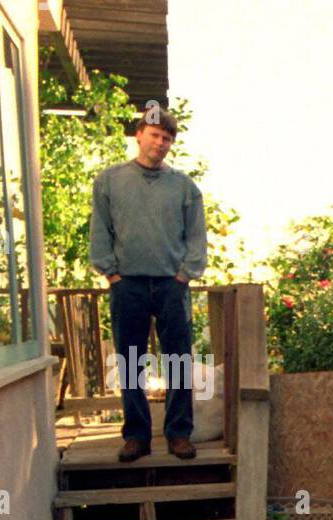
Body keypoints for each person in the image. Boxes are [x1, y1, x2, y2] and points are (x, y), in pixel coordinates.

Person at [89, 107, 207, 462]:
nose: (161, 143)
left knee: (178, 360)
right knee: (130, 361)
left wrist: (186, 274)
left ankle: (178, 433)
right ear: (139, 134)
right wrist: (111, 274)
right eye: (155, 135)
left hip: (172, 285)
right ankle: (137, 436)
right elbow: (100, 230)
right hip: (129, 285)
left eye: (168, 138)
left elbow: (196, 237)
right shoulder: (109, 181)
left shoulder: (185, 188)